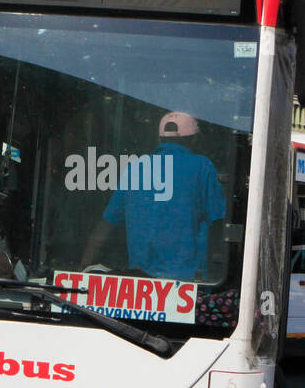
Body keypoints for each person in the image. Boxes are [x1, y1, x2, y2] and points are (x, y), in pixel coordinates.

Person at [83, 111, 226, 281]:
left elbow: (106, 225)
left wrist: (83, 265)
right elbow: (218, 222)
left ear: (159, 139)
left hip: (142, 284)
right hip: (187, 285)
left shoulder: (136, 167)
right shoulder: (203, 166)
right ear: (194, 139)